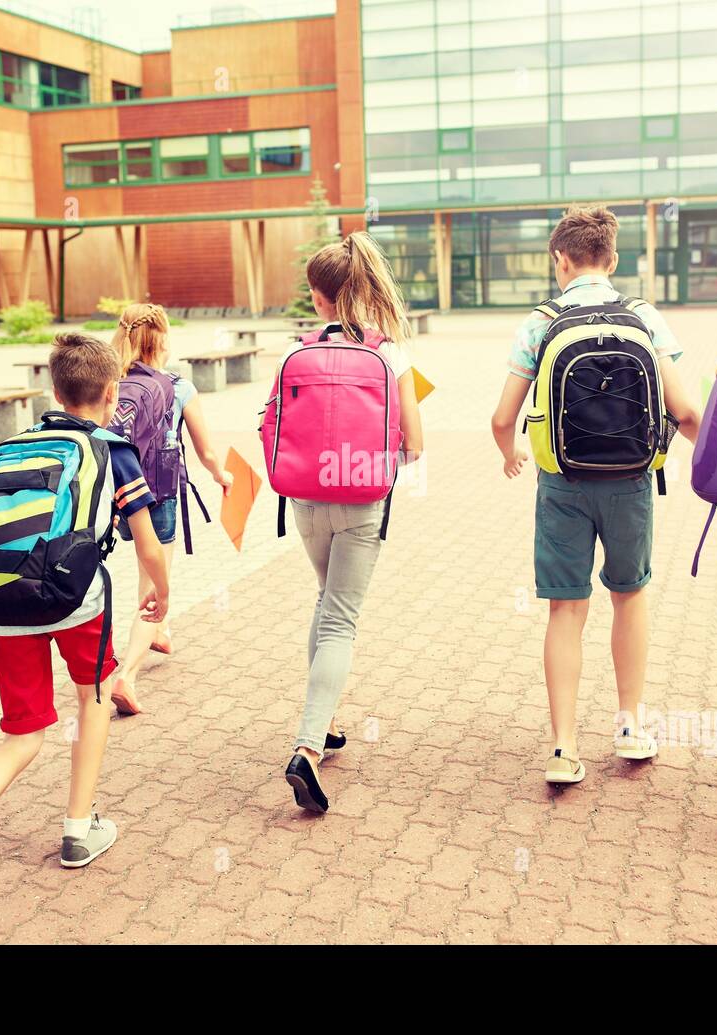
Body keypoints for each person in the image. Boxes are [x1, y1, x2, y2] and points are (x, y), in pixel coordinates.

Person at [0, 333, 170, 940]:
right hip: (75, 601)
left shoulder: (10, 447)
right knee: (96, 695)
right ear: (111, 394)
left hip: (4, 606)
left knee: (24, 732)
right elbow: (149, 544)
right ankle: (79, 830)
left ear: (53, 391)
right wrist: (160, 594)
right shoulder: (113, 449)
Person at [490, 204, 700, 786]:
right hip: (631, 480)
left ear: (561, 259)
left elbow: (501, 417)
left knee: (566, 607)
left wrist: (509, 454)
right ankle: (630, 726)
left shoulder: (539, 322)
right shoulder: (645, 317)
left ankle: (563, 747)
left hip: (563, 482)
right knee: (629, 596)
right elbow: (683, 411)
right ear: (611, 259)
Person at [280, 231, 424, 813]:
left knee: (324, 602)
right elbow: (415, 441)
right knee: (340, 618)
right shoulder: (389, 352)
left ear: (319, 297)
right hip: (362, 497)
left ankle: (328, 719)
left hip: (305, 498)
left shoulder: (301, 349)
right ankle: (308, 748)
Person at [107, 302, 232, 715]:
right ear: (162, 339)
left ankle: (158, 633)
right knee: (154, 587)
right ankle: (127, 675)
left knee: (144, 572)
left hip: (114, 498)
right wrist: (222, 477)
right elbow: (207, 451)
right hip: (157, 496)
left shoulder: (109, 383)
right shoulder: (178, 386)